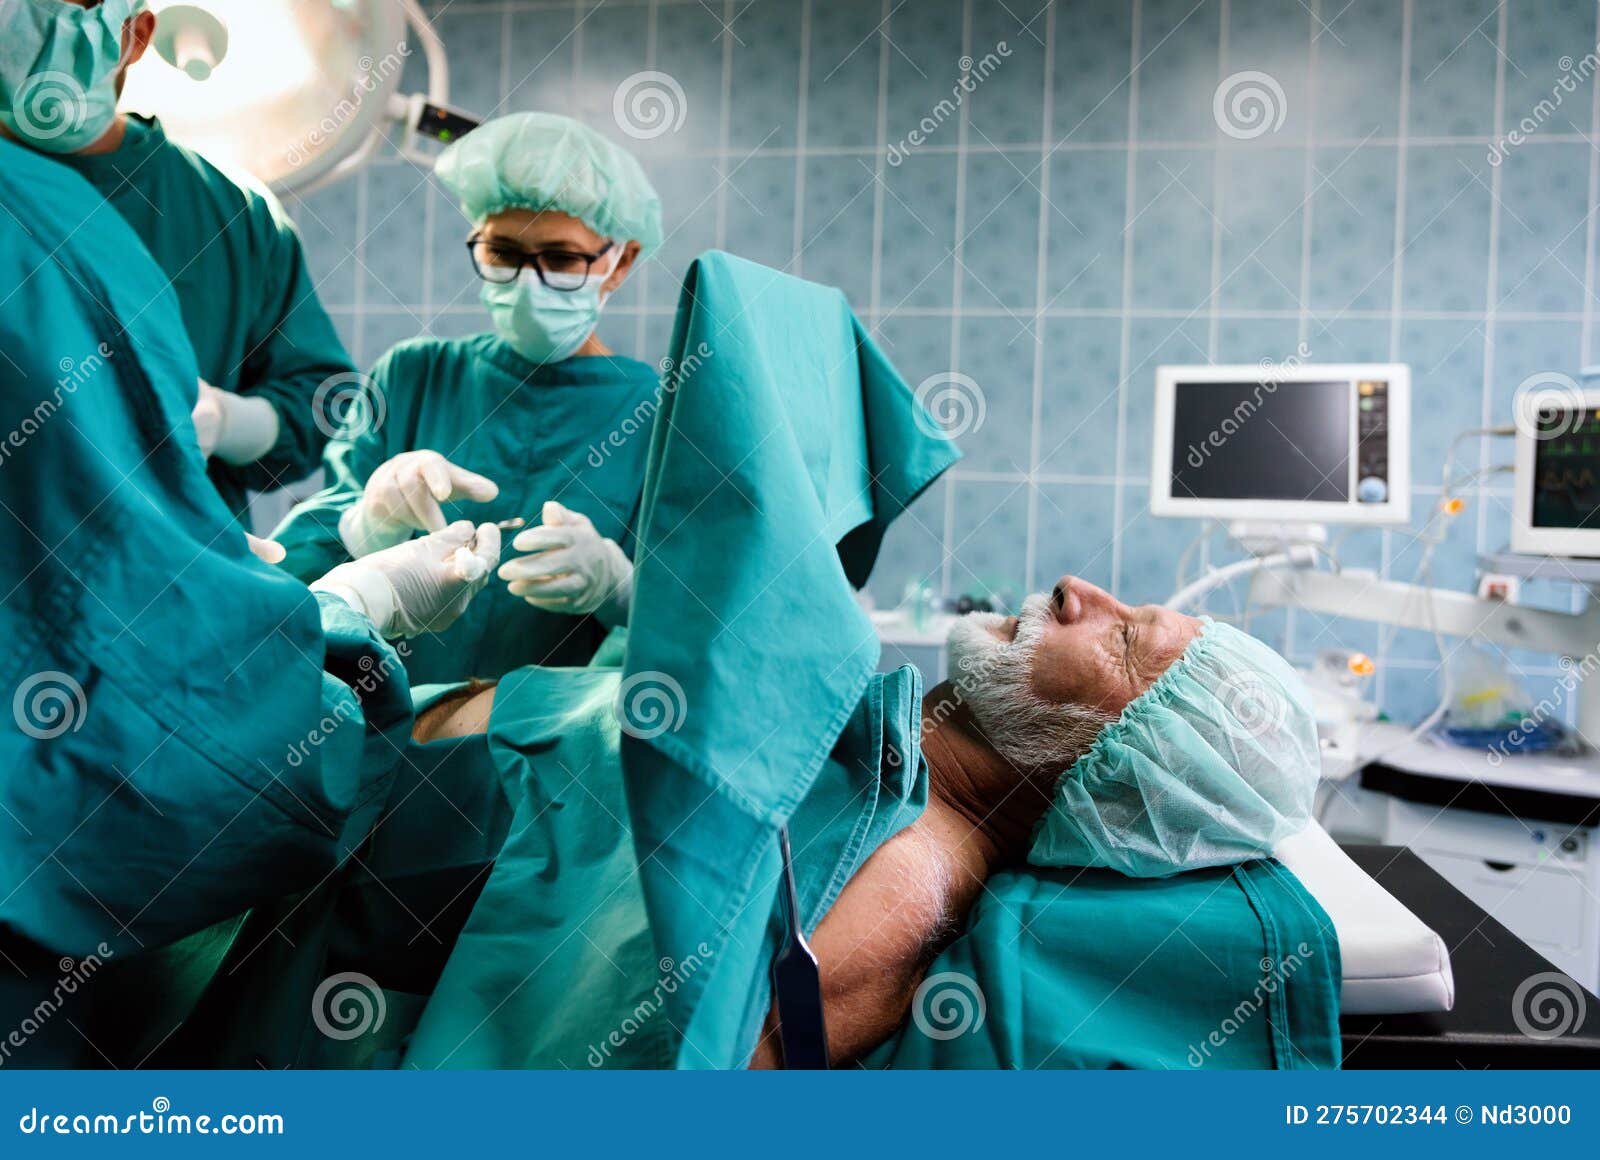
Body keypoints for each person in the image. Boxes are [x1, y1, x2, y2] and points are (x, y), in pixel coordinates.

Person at [0, 135, 499, 1067]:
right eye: (503, 251)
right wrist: (344, 605)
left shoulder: (208, 210)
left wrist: (307, 532)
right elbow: (194, 749)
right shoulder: (49, 231)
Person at [274, 112, 666, 684]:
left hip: (548, 756)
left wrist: (623, 591)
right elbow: (296, 578)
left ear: (619, 262)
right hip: (383, 728)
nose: (529, 282)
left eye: (560, 259)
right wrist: (367, 524)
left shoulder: (663, 414)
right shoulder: (414, 375)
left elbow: (705, 627)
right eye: (503, 253)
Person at [0, 0, 354, 524]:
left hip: (184, 581)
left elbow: (325, 403)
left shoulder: (232, 211)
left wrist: (231, 422)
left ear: (136, 36)